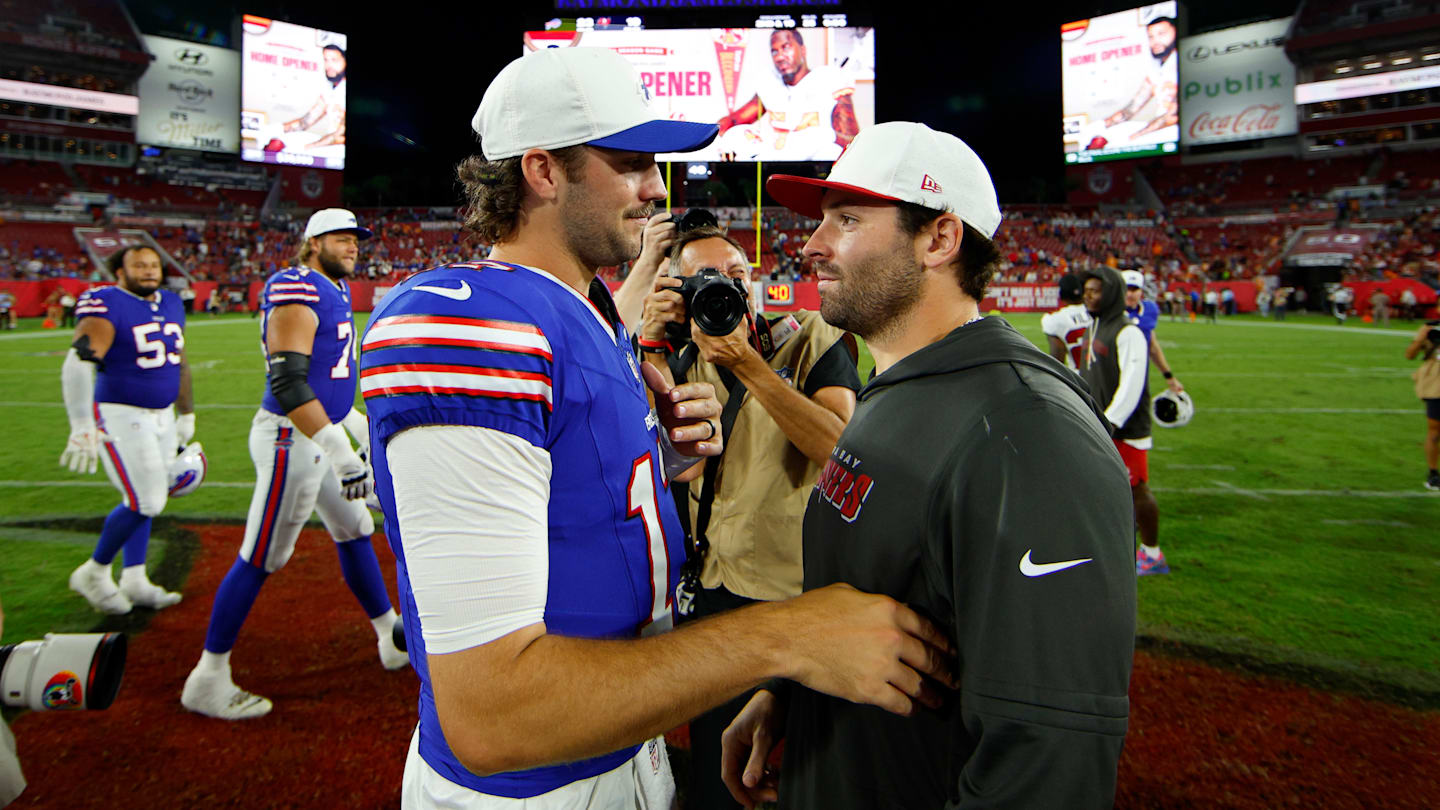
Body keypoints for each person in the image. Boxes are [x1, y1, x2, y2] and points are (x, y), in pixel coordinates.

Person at [360, 48, 954, 809]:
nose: (656, 188)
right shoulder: (474, 326)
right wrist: (788, 636)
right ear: (543, 171)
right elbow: (491, 713)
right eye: (632, 164)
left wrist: (650, 455)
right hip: (533, 787)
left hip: (618, 746)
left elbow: (564, 506)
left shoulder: (586, 311)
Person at [724, 121, 1136, 809]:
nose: (812, 245)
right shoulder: (899, 386)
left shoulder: (1029, 432)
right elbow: (874, 589)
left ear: (940, 239)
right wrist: (792, 693)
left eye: (847, 220)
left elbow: (1047, 759)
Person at [636, 224, 861, 809]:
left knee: (802, 766)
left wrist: (746, 363)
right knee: (718, 765)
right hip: (710, 585)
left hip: (790, 590)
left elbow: (839, 449)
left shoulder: (809, 336)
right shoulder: (679, 356)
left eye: (736, 275)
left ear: (754, 282)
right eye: (704, 280)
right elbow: (659, 464)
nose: (725, 289)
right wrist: (648, 344)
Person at [181, 208, 406, 721]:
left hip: (318, 435)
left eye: (355, 238)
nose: (353, 246)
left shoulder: (335, 288)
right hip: (292, 438)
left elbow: (329, 384)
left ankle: (387, 636)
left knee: (355, 528)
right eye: (340, 238)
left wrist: (356, 427)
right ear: (313, 243)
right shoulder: (296, 286)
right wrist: (340, 451)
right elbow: (289, 384)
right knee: (263, 553)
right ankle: (207, 678)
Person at [61, 245, 193, 615]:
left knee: (143, 498)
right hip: (121, 414)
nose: (149, 271)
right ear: (119, 271)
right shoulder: (107, 301)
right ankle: (94, 571)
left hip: (162, 414)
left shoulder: (171, 302)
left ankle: (134, 578)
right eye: (139, 265)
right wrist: (81, 423)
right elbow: (78, 361)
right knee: (147, 500)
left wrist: (187, 413)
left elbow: (180, 361)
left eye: (153, 265)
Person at [714, 29, 858, 161]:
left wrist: (824, 137)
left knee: (830, 151)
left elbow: (851, 140)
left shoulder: (828, 79)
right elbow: (734, 120)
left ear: (802, 50)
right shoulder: (771, 84)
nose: (779, 57)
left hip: (814, 167)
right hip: (777, 166)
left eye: (786, 47)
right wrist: (718, 139)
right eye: (774, 52)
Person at [1121, 269, 1180, 574]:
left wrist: (1169, 376)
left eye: (1134, 289)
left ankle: (1152, 554)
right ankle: (1123, 534)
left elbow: (1153, 345)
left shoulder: (1147, 313)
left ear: (1141, 291)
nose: (1130, 293)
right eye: (1125, 288)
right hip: (1110, 398)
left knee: (1135, 482)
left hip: (1133, 403)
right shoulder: (1109, 314)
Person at [1103, 16, 1178, 141]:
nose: (1155, 41)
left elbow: (1173, 115)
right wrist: (1101, 126)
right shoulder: (1156, 68)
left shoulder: (1182, 63)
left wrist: (1136, 137)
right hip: (1158, 132)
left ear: (1176, 32)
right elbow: (1132, 108)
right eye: (1151, 37)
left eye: (1162, 34)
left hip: (1175, 132)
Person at [283, 43, 346, 149]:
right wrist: (276, 130)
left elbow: (340, 135)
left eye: (334, 60)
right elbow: (305, 122)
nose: (329, 65)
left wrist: (307, 148)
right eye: (326, 60)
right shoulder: (330, 89)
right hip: (329, 147)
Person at [1405, 321, 1440, 490]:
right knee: (1435, 431)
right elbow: (1410, 355)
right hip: (1436, 386)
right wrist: (1420, 337)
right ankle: (1433, 473)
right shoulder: (1432, 330)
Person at [1041, 271, 1089, 370]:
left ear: (1061, 294)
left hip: (1078, 377)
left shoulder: (1055, 318)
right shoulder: (1097, 312)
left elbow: (1057, 361)